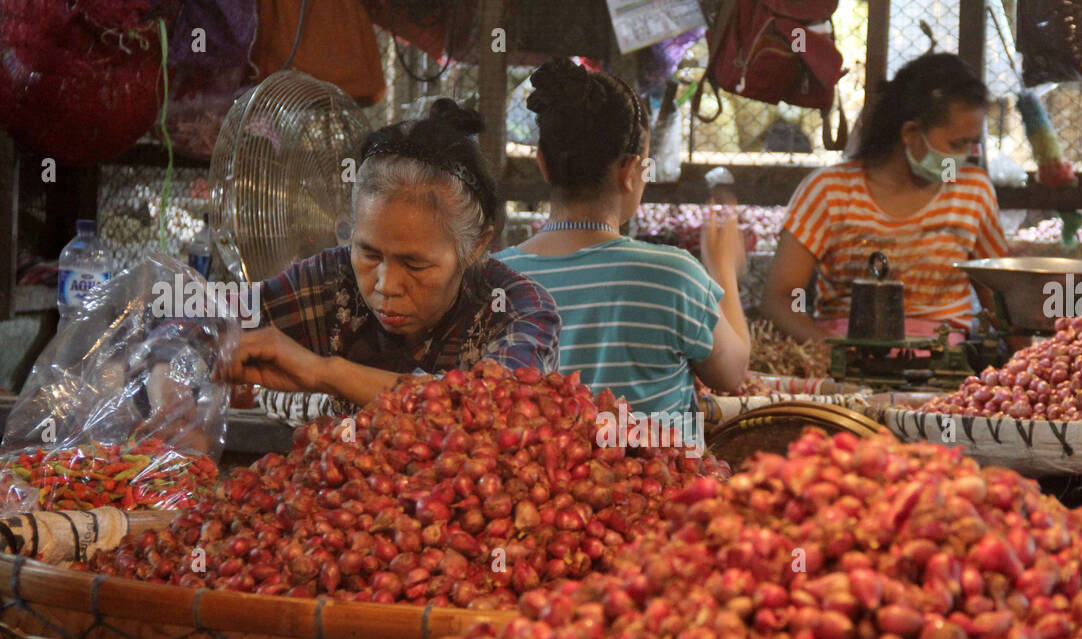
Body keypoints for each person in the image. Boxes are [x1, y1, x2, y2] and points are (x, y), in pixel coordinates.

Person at [228, 99, 561, 422]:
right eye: (369, 254)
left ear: (476, 246)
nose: (385, 285)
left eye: (415, 265)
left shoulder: (516, 308)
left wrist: (328, 374)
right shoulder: (334, 281)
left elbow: (498, 408)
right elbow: (204, 326)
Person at [496, 58, 750, 418]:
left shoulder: (497, 279)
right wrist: (723, 268)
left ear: (542, 162)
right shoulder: (674, 276)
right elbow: (733, 374)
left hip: (534, 473)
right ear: (630, 171)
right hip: (658, 474)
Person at [762, 53, 1009, 343]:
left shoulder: (972, 191)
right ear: (911, 133)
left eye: (971, 143)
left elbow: (998, 294)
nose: (964, 155)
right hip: (844, 363)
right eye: (956, 144)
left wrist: (1027, 365)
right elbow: (781, 298)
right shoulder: (830, 191)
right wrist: (829, 352)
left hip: (944, 364)